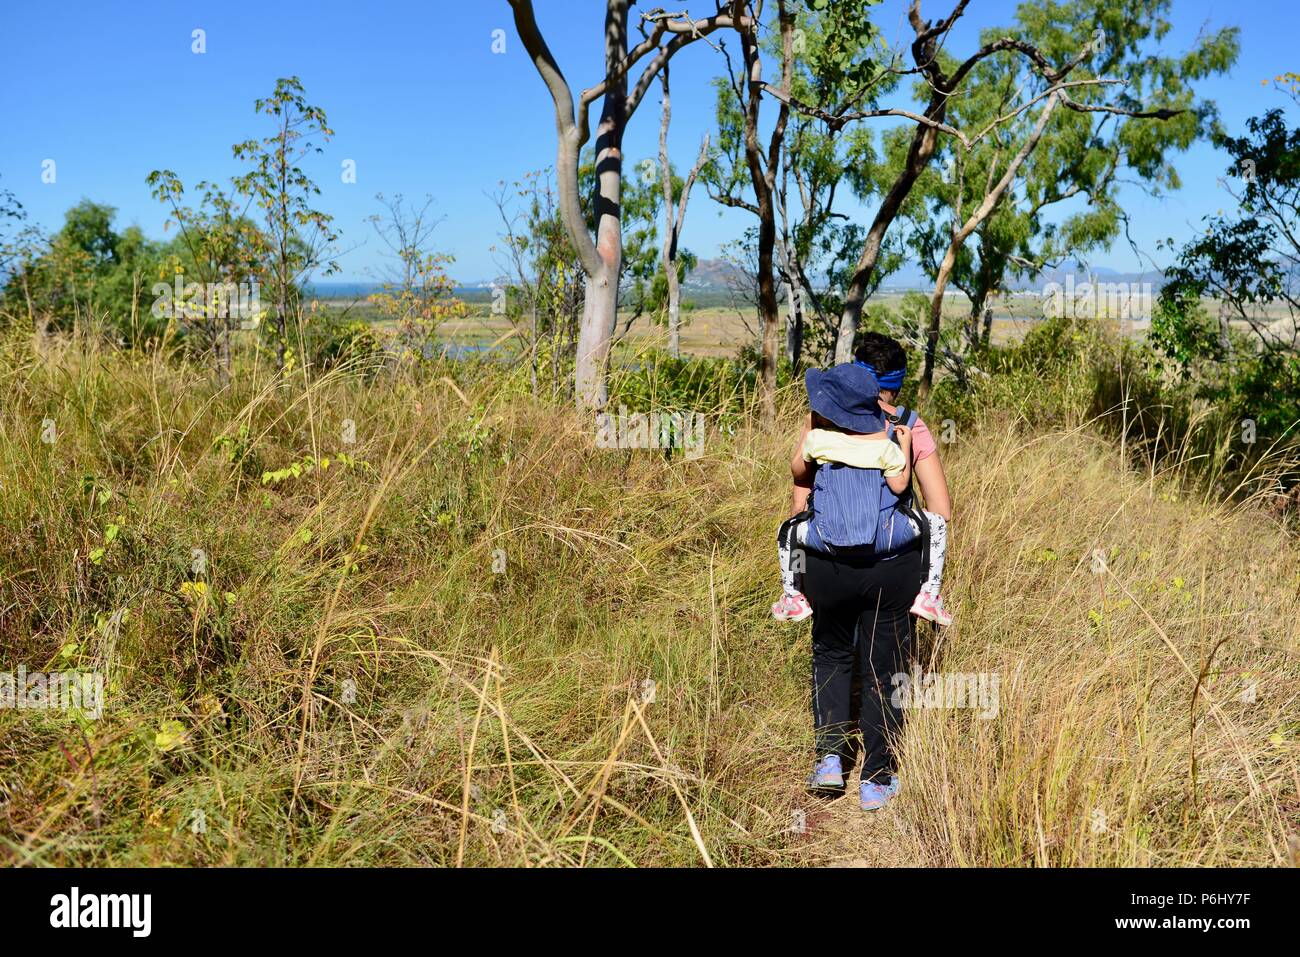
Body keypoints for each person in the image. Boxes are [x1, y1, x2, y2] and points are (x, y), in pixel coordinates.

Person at [788, 334, 955, 811]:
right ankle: (878, 778)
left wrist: (804, 570)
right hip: (889, 570)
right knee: (886, 666)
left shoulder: (822, 417)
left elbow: (801, 494)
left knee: (832, 652)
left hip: (826, 564)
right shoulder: (909, 426)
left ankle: (829, 760)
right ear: (896, 386)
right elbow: (940, 509)